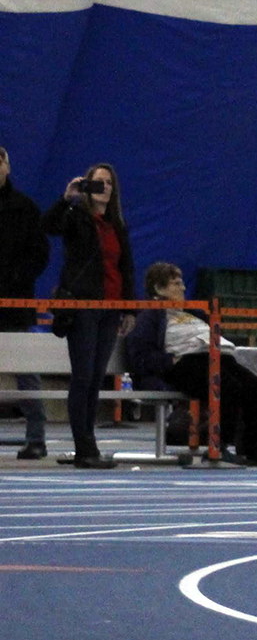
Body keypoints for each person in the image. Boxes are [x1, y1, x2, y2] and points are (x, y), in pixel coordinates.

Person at [126, 262, 257, 466]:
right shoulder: (149, 316)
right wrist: (170, 360)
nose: (183, 288)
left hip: (217, 356)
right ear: (158, 289)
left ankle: (256, 451)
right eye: (176, 283)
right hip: (184, 363)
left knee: (256, 387)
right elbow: (139, 356)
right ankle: (219, 446)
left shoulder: (193, 313)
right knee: (227, 387)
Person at [43, 163, 135, 469]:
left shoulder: (117, 225)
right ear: (86, 187)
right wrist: (66, 197)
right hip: (83, 307)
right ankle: (84, 448)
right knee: (82, 377)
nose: (104, 188)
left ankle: (89, 444)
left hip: (110, 309)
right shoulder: (76, 218)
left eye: (109, 183)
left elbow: (126, 268)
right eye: (97, 183)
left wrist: (129, 308)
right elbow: (48, 226)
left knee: (96, 378)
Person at [0, 146, 51, 460]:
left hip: (15, 303)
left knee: (26, 372)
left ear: (7, 164)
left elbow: (40, 254)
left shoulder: (25, 207)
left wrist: (17, 279)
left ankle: (36, 438)